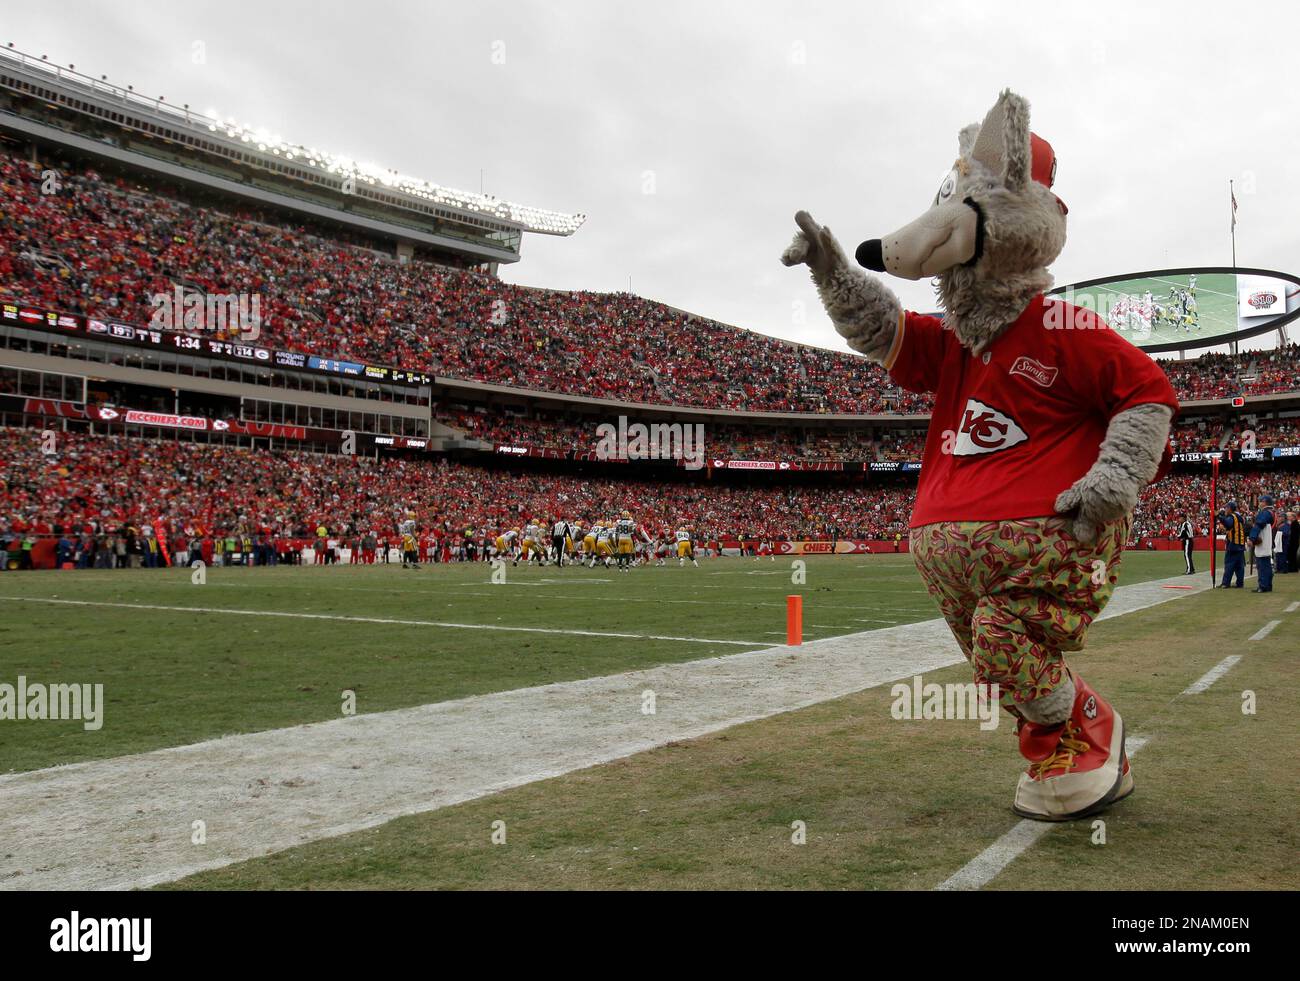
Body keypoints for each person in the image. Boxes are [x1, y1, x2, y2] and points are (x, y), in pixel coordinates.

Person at [1249, 495, 1276, 593]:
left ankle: (1263, 585)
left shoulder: (1265, 513)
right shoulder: (1270, 512)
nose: (1259, 503)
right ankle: (1267, 585)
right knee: (1266, 565)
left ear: (1265, 502)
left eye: (1261, 501)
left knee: (1262, 565)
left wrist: (1252, 538)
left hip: (1263, 541)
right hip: (1266, 540)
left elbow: (1258, 525)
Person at [1216, 502, 1247, 589]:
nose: (1225, 509)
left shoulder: (1232, 517)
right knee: (1239, 566)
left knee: (1229, 564)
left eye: (1226, 508)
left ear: (1229, 508)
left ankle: (1225, 583)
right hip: (1240, 544)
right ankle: (1240, 583)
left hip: (1234, 544)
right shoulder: (1239, 517)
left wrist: (1219, 516)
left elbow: (1228, 524)